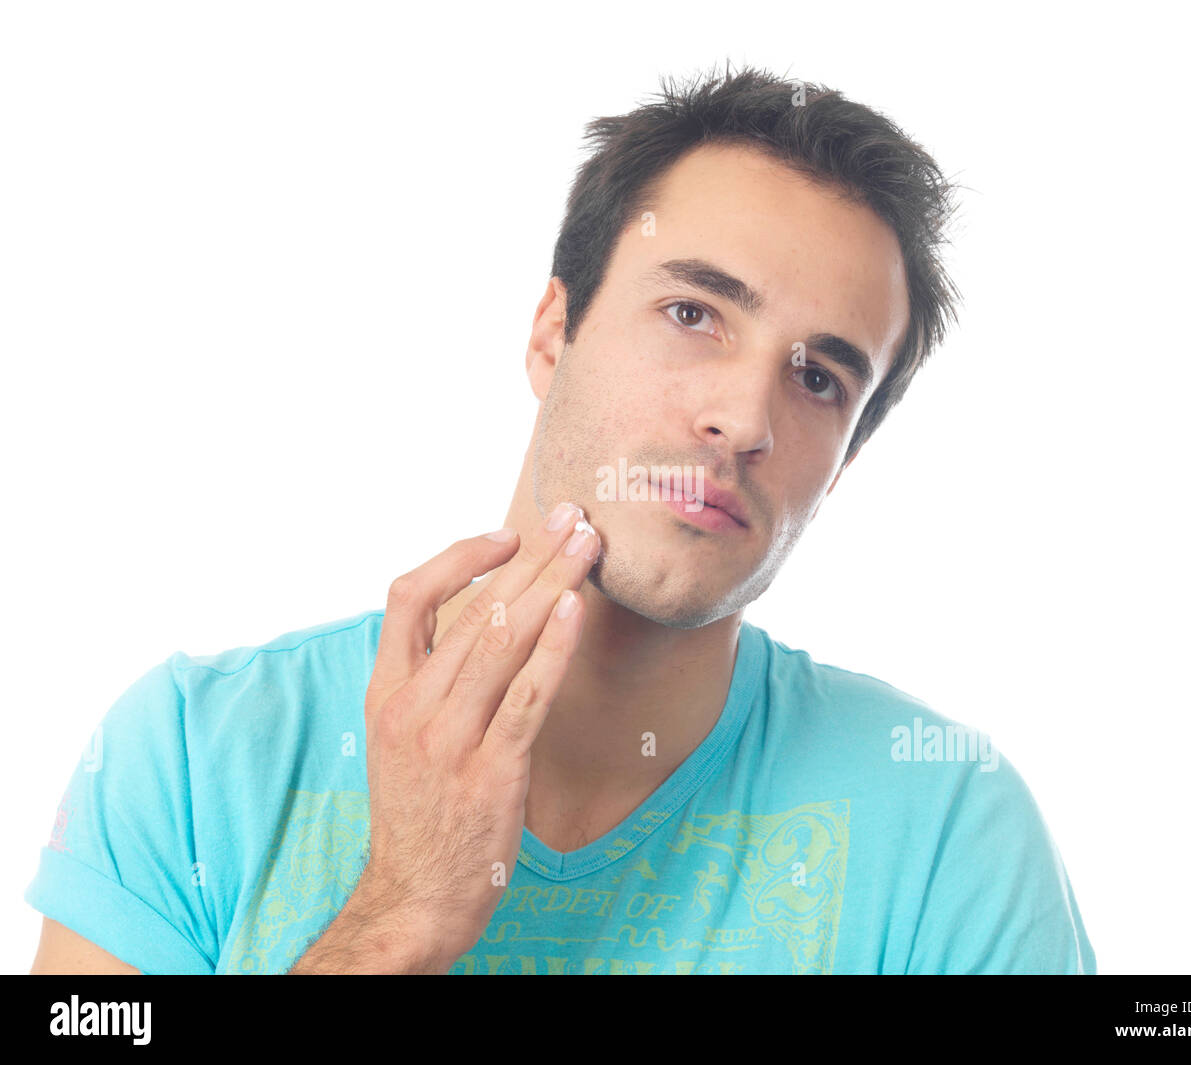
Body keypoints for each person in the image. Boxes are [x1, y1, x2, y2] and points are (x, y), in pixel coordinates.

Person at [27, 64, 1095, 975]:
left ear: (846, 460)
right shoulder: (194, 751)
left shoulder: (951, 826)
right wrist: (400, 913)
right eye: (692, 315)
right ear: (552, 334)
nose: (741, 417)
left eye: (817, 379)